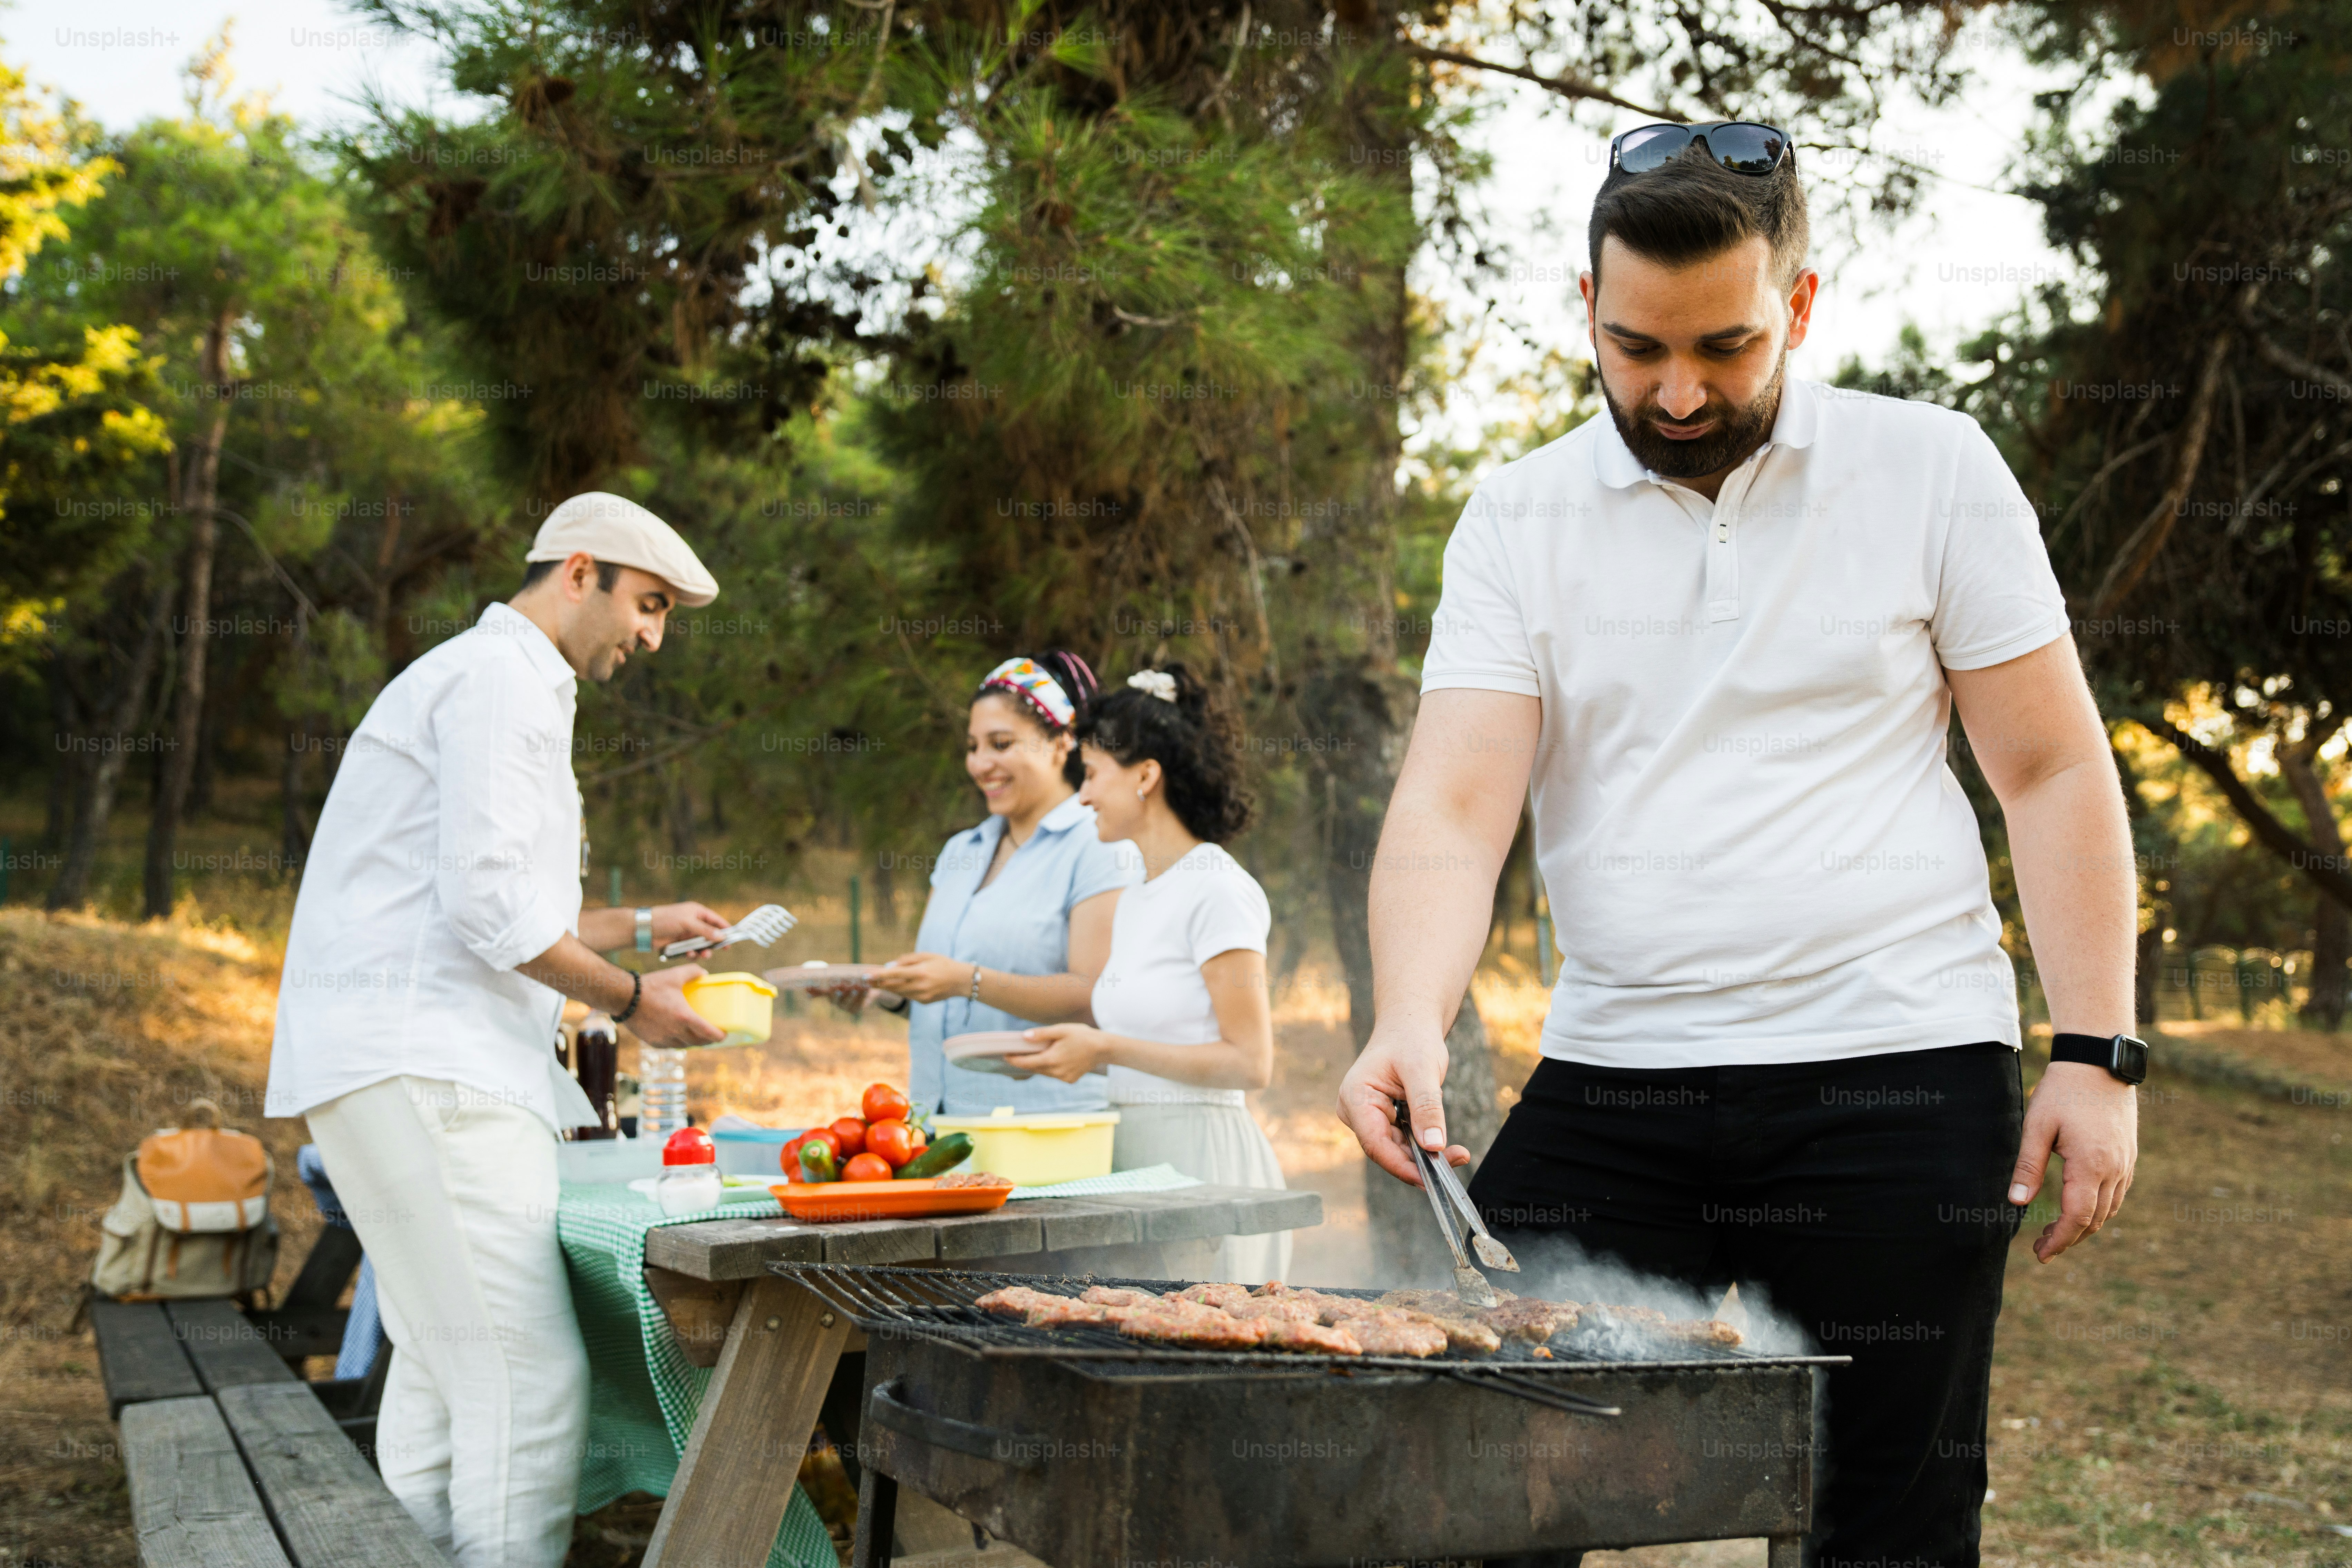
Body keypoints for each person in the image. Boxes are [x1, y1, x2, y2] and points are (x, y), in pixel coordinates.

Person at [1336, 124, 2139, 1567]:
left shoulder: (1932, 468)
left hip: (1900, 1074)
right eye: (1638, 346)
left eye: (1727, 344)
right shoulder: (1518, 515)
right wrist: (1408, 1013)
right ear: (1585, 305)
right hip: (1617, 1080)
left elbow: (2052, 765)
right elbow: (1458, 803)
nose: (1681, 388)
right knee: (1466, 1487)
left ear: (1804, 306)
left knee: (1878, 1526)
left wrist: (2097, 1050)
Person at [266, 492, 732, 1568]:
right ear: (580, 572)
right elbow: (488, 911)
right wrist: (630, 999)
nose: (653, 636)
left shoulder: (486, 679)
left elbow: (488, 903)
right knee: (529, 1382)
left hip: (389, 1063)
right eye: (648, 604)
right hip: (436, 1069)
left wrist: (648, 926)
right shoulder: (502, 684)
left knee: (444, 1365)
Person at [1009, 665, 1290, 1284]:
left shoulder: (1217, 889)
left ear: (1146, 775)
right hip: (1136, 1165)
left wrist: (1105, 1046)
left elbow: (1251, 1064)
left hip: (1206, 1168)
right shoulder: (1138, 891)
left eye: (1091, 775)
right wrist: (1071, 1054)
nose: (1081, 797)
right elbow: (1154, 1039)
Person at [869, 653, 1142, 1115]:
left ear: (1061, 744)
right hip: (938, 1124)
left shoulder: (1100, 847)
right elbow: (958, 1000)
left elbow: (1094, 998)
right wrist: (889, 993)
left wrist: (967, 980)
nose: (980, 764)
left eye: (1001, 743)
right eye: (973, 747)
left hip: (1043, 1129)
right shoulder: (962, 851)